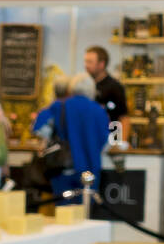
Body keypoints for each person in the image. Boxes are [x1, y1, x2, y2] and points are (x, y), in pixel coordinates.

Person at [33, 74, 110, 205]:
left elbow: (39, 129)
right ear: (92, 90)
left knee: (64, 216)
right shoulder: (99, 110)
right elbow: (106, 143)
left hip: (63, 168)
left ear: (71, 89)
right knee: (85, 214)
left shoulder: (59, 106)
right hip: (90, 170)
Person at [84, 46, 128, 132]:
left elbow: (124, 118)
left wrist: (121, 143)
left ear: (101, 64)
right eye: (85, 61)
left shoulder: (115, 87)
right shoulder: (84, 86)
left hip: (108, 138)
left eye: (90, 62)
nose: (86, 65)